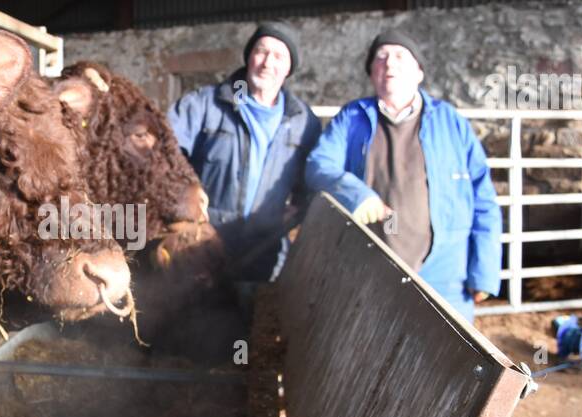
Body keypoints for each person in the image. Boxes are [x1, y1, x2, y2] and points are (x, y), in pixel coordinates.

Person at [304, 30, 501, 320]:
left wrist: (484, 272)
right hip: (371, 268)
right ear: (372, 73)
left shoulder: (450, 122)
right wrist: (355, 194)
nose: (389, 64)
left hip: (444, 274)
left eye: (400, 56)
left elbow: (484, 198)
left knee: (447, 358)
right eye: (380, 58)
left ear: (419, 72)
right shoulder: (353, 117)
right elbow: (318, 165)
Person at [168, 21, 322, 283]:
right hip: (204, 243)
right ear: (249, 57)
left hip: (264, 247)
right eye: (261, 51)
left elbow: (314, 175)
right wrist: (185, 204)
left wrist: (296, 209)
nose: (267, 62)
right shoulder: (206, 104)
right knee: (201, 319)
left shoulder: (302, 121)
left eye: (278, 56)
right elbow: (163, 153)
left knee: (255, 318)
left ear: (288, 69)